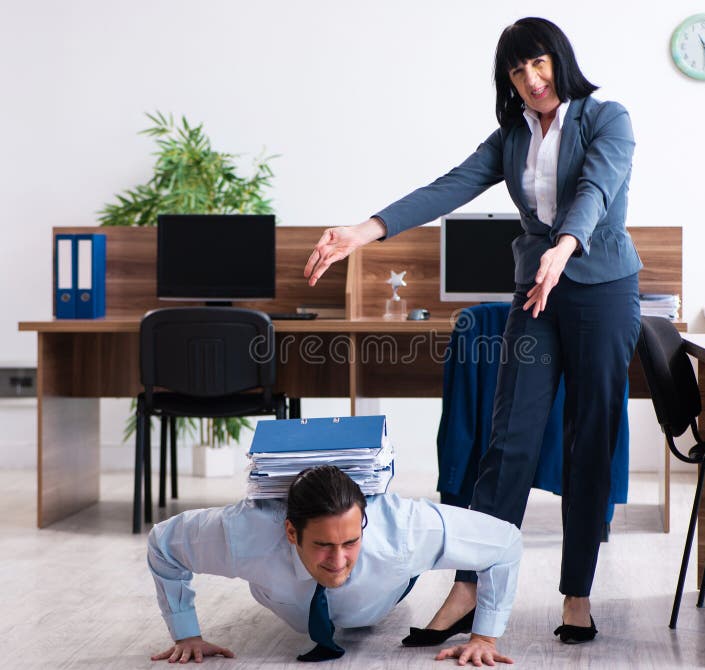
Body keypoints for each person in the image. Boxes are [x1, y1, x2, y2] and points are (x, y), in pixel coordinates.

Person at [304, 17, 641, 645]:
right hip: (536, 292)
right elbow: (449, 188)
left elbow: (598, 189)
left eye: (539, 63)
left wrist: (566, 245)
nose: (531, 79)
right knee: (507, 440)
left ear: (560, 59)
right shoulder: (511, 137)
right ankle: (469, 587)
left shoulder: (606, 118)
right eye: (517, 70)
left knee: (589, 439)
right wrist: (362, 231)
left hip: (601, 290)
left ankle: (577, 593)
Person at [147, 465, 521, 665]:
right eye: (323, 545)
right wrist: (186, 635)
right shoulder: (242, 535)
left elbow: (505, 542)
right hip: (285, 601)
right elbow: (162, 545)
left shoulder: (404, 531)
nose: (339, 561)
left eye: (350, 542)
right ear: (291, 532)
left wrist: (484, 637)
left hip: (384, 593)